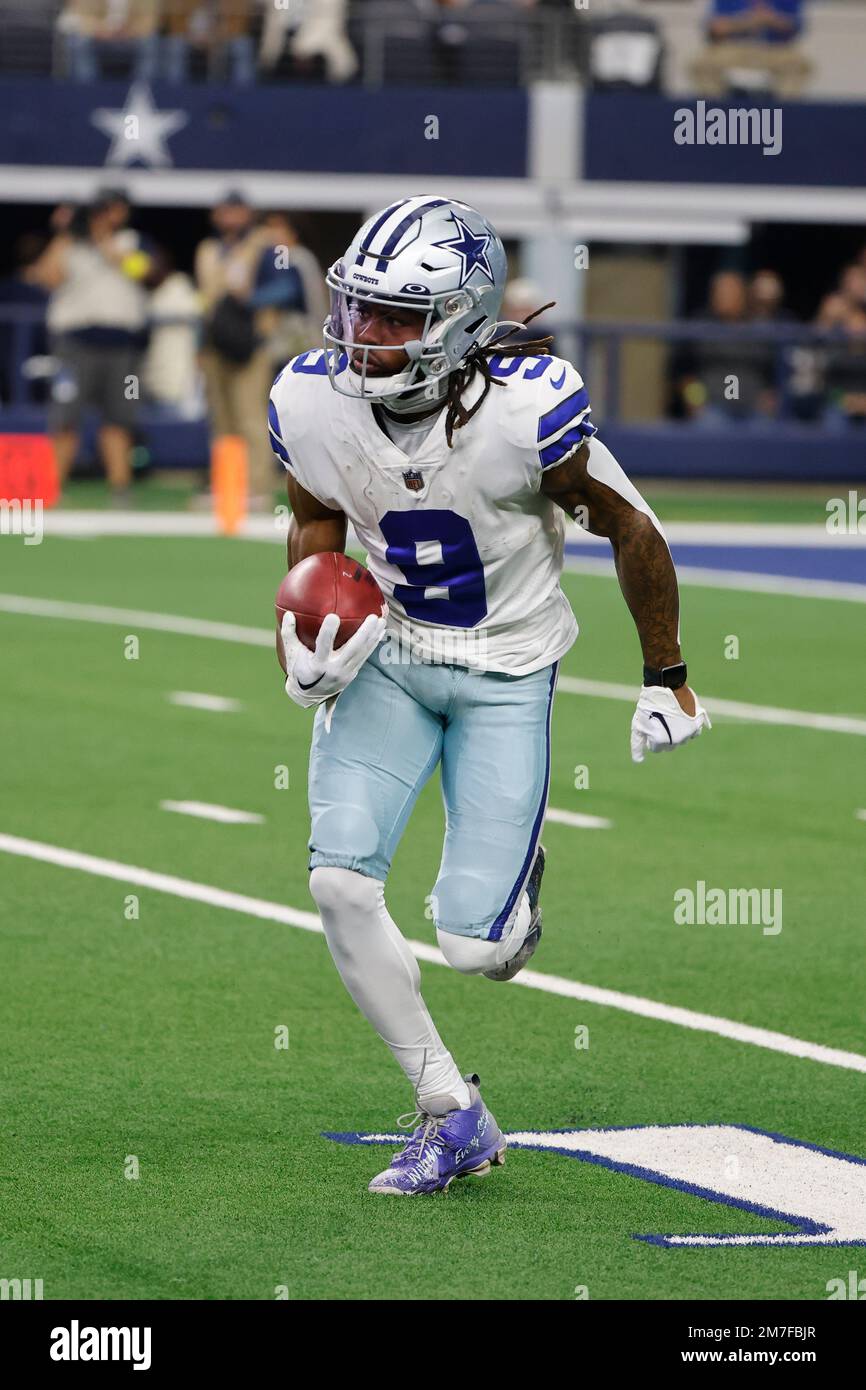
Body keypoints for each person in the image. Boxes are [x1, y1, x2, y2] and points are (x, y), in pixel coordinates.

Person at [268, 196, 710, 1196]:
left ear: (460, 321)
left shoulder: (527, 409)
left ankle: (509, 898)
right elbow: (313, 518)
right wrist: (301, 629)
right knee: (337, 884)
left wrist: (666, 679)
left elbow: (630, 526)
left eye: (392, 318)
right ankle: (448, 1113)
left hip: (503, 667)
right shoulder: (308, 398)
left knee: (474, 943)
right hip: (391, 656)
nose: (361, 335)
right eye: (356, 308)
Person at [28, 188, 150, 502]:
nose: (105, 217)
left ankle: (120, 489)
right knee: (65, 415)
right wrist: (64, 233)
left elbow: (141, 271)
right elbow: (46, 277)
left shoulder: (131, 241)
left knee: (119, 418)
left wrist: (101, 238)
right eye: (99, 212)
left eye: (111, 210)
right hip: (74, 343)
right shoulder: (70, 245)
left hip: (121, 344)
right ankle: (52, 489)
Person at [195, 192, 276, 508]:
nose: (230, 217)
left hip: (249, 343)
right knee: (222, 420)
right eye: (224, 210)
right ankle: (226, 486)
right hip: (216, 342)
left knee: (249, 417)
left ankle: (257, 488)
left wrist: (248, 301)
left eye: (236, 210)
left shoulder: (263, 245)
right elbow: (204, 301)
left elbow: (285, 286)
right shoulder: (210, 249)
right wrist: (198, 344)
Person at [690, 0, 812, 99]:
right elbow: (716, 28)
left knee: (799, 65)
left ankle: (783, 117)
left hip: (774, 48)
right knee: (701, 64)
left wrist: (771, 19)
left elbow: (795, 26)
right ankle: (720, 114)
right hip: (735, 47)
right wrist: (746, 21)